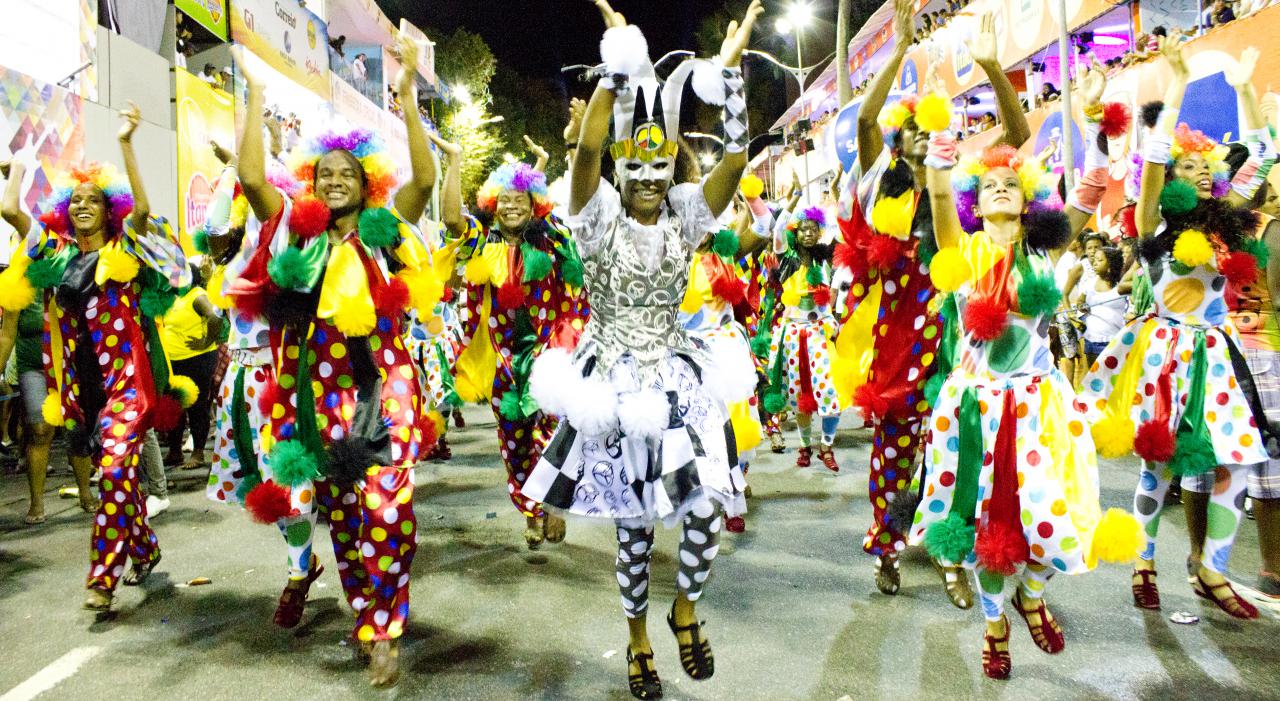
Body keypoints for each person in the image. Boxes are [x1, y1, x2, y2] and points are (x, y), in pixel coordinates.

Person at [522, 1, 761, 698]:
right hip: (615, 388)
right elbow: (589, 148)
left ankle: (684, 610)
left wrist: (731, 74)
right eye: (639, 163)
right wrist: (618, 63)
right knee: (633, 530)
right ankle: (637, 641)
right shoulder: (594, 220)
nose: (651, 175)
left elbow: (738, 157)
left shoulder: (688, 216)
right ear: (623, 171)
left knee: (710, 504)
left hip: (679, 377)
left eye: (662, 162)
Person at [231, 32, 440, 686]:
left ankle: (387, 624)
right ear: (313, 182)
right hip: (315, 398)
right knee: (347, 518)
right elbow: (248, 178)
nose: (336, 180)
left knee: (387, 507)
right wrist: (258, 95)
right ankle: (366, 609)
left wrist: (406, 97)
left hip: (385, 389)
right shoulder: (295, 229)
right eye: (326, 174)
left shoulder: (388, 227)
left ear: (366, 181)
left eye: (347, 173)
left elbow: (427, 178)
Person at [914, 106, 1139, 681]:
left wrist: (1098, 127)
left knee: (1055, 520)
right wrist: (941, 139)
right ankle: (995, 625)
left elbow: (1088, 196)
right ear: (976, 200)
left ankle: (1032, 595)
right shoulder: (962, 255)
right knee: (988, 526)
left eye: (1009, 183)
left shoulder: (1046, 252)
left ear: (1027, 196)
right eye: (987, 185)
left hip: (1040, 406)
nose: (998, 189)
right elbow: (939, 204)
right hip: (976, 410)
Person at [834, 3, 1030, 603]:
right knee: (893, 457)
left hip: (955, 342)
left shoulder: (960, 188)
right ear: (901, 138)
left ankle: (951, 554)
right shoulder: (879, 180)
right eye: (913, 128)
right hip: (896, 345)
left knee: (959, 450)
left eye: (933, 127)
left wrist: (995, 71)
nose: (925, 136)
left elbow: (1017, 141)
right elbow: (865, 120)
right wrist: (897, 52)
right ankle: (887, 546)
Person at [1080, 40, 1275, 620]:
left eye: (1207, 166)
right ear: (1167, 181)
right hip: (1165, 352)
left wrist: (1243, 88)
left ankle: (1211, 568)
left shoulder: (1226, 224)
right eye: (1188, 168)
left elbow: (1264, 154)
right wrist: (1181, 80)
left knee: (1238, 459)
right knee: (1157, 463)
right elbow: (1157, 152)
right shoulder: (1152, 222)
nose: (1202, 173)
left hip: (1218, 353)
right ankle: (1142, 561)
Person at [0, 103, 192, 610]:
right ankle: (145, 548)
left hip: (129, 385)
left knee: (111, 471)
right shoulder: (60, 255)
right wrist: (18, 169)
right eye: (76, 201)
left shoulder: (126, 249)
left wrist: (127, 142)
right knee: (120, 476)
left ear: (110, 210)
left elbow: (146, 214)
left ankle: (103, 579)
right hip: (86, 389)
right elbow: (11, 213)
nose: (84, 206)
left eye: (94, 200)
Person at [432, 135, 588, 550]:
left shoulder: (553, 238)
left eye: (521, 199)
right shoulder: (483, 239)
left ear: (534, 203)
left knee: (555, 434)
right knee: (515, 443)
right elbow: (450, 219)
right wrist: (455, 160)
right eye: (504, 199)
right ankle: (532, 510)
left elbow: (576, 283)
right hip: (501, 361)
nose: (512, 205)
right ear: (492, 202)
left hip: (550, 356)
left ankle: (553, 504)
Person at [759, 185, 845, 472]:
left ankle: (827, 447)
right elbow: (779, 227)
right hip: (793, 336)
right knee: (800, 398)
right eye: (803, 229)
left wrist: (834, 196)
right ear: (796, 232)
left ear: (819, 232)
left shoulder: (825, 258)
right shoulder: (787, 259)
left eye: (813, 229)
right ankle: (806, 446)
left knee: (830, 394)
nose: (808, 233)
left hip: (820, 333)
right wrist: (794, 199)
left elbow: (844, 232)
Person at [159, 259, 224, 471]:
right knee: (175, 407)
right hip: (174, 362)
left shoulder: (196, 296)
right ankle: (175, 451)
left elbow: (215, 318)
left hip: (197, 361)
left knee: (197, 408)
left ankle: (198, 453)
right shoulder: (173, 297)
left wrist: (206, 341)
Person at [1075, 245, 1128, 366]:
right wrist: (1081, 306)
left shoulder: (1121, 285)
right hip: (1092, 342)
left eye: (1100, 260)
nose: (1094, 263)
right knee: (1094, 380)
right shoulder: (1089, 283)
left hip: (1115, 341)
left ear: (1111, 264)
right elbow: (1080, 302)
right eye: (1094, 260)